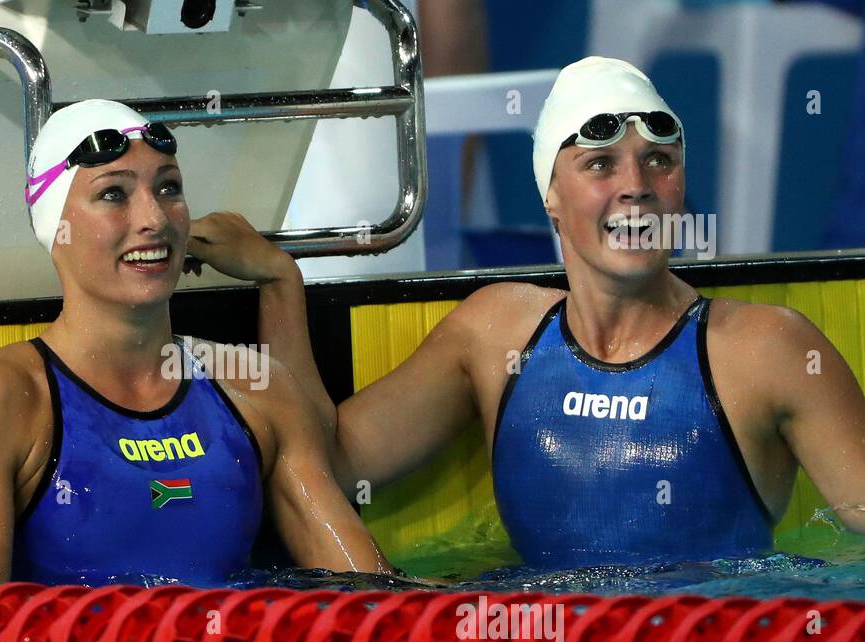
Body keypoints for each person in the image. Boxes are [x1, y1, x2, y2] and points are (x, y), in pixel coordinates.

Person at [240, 56, 865, 569]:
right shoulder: (495, 333)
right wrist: (279, 284)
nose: (636, 184)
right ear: (551, 195)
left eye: (660, 160)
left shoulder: (765, 350)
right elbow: (323, 462)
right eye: (600, 164)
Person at [0, 99, 391, 585]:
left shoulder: (257, 390)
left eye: (168, 188)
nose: (154, 218)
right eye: (113, 195)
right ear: (54, 226)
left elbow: (373, 592)